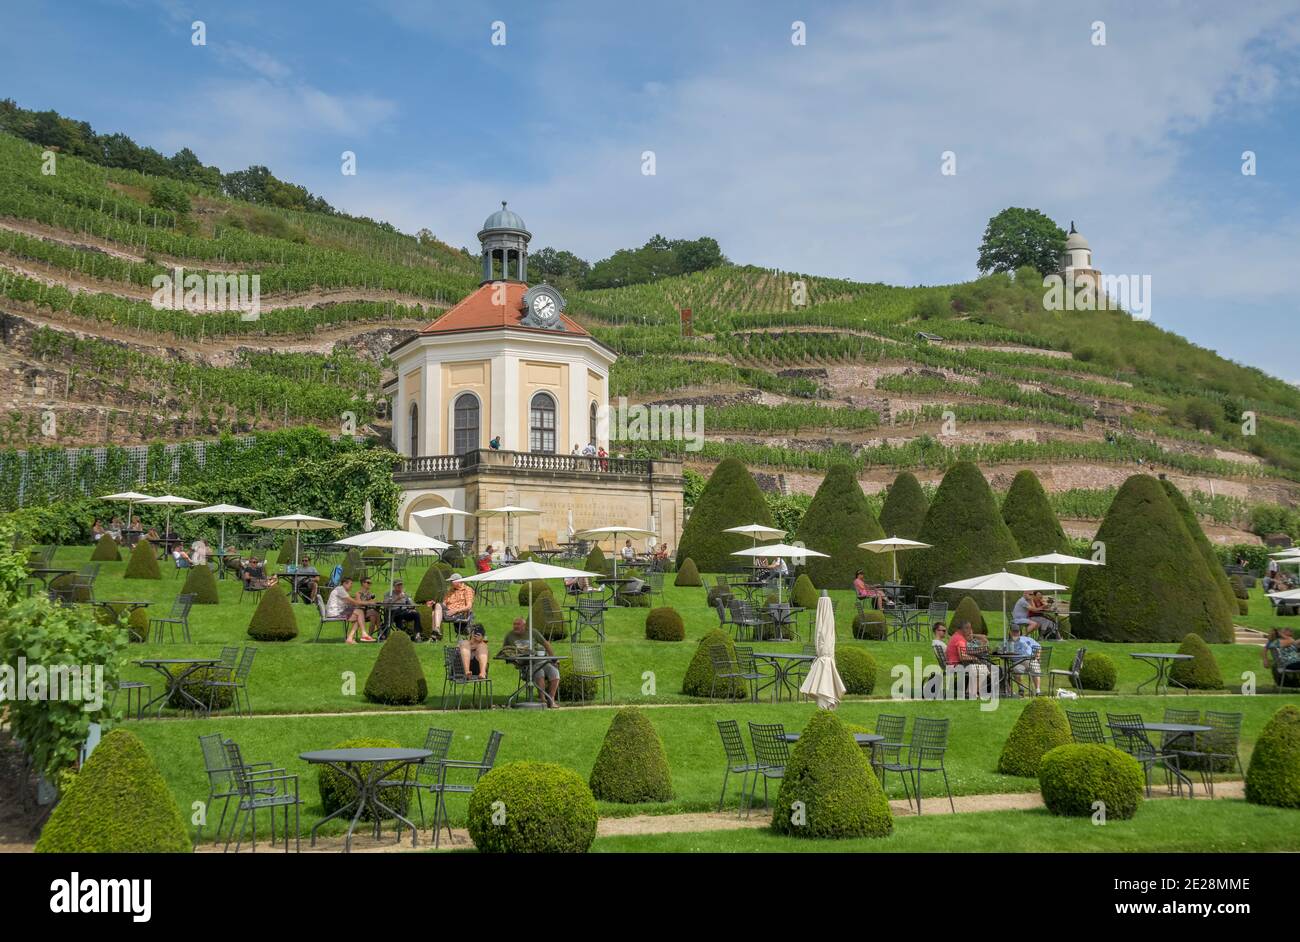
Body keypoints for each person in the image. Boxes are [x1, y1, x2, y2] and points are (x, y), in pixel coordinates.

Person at [500, 617, 560, 707]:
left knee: (555, 673)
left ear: (524, 626)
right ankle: (543, 700)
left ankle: (551, 700)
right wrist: (515, 661)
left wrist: (554, 658)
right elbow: (504, 651)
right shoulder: (509, 636)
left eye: (518, 624)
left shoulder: (533, 632)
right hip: (526, 664)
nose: (515, 626)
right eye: (514, 624)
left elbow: (546, 644)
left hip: (540, 660)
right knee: (539, 672)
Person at [327, 576, 375, 644]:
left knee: (359, 617)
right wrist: (369, 602)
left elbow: (351, 603)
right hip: (335, 613)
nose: (351, 586)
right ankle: (363, 634)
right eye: (350, 584)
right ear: (344, 583)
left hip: (337, 611)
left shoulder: (341, 590)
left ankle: (350, 638)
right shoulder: (340, 590)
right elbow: (355, 602)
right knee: (360, 612)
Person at [1006, 624, 1042, 695]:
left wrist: (1038, 655)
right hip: (1018, 662)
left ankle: (1038, 690)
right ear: (1010, 632)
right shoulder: (1009, 642)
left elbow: (1038, 646)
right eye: (1013, 632)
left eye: (1017, 632)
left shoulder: (1027, 639)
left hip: (1030, 659)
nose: (1015, 633)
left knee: (1035, 666)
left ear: (1020, 632)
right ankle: (1021, 688)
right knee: (1016, 670)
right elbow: (1008, 654)